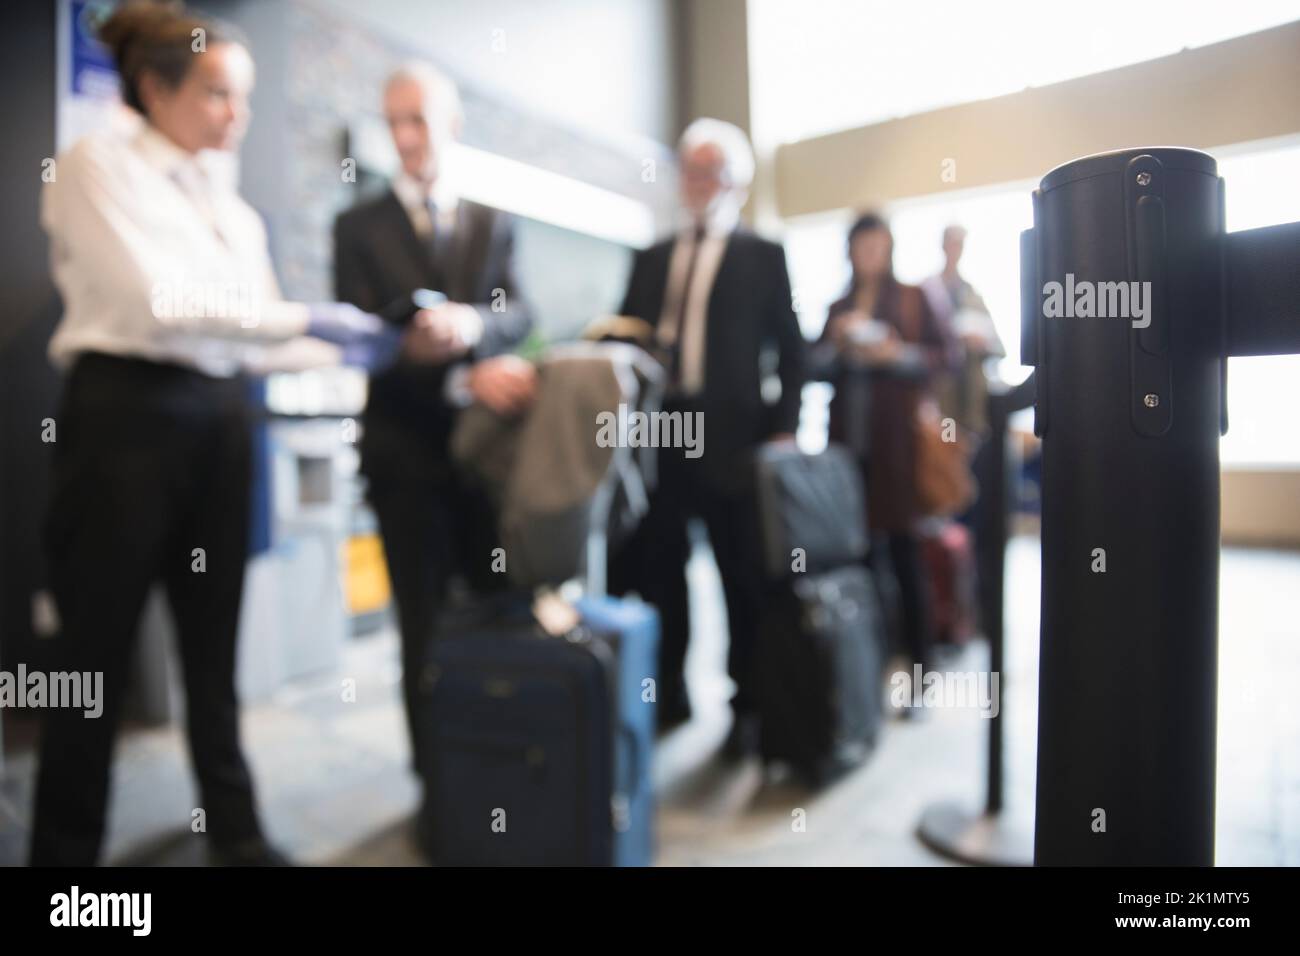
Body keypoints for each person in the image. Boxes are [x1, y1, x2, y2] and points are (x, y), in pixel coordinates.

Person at [30, 2, 402, 867]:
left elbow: (259, 339)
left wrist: (372, 346)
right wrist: (310, 315)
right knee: (92, 655)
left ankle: (233, 831)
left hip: (221, 423)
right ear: (156, 87)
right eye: (218, 95)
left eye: (244, 97)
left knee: (215, 643)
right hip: (124, 419)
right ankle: (62, 861)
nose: (237, 116)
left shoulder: (233, 210)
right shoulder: (97, 164)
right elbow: (158, 306)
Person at [332, 63, 536, 818]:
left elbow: (519, 313)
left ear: (451, 122)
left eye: (418, 119)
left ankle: (507, 768)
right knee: (420, 627)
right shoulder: (356, 226)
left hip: (488, 457)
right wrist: (442, 366)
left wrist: (475, 328)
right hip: (403, 454)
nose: (406, 137)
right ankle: (440, 792)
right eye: (393, 123)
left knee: (495, 608)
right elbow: (358, 338)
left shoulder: (490, 218)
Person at [613, 118, 805, 757]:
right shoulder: (651, 256)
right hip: (662, 433)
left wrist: (782, 431)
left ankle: (745, 705)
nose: (696, 183)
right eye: (689, 170)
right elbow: (624, 333)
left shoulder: (762, 255)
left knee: (738, 574)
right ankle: (667, 691)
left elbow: (793, 352)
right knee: (658, 568)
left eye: (708, 171)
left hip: (733, 439)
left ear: (736, 183)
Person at [810, 213, 953, 681]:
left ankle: (919, 666)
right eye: (861, 245)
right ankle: (871, 663)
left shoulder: (913, 298)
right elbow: (812, 367)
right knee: (862, 557)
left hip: (899, 451)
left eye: (877, 244)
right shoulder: (839, 306)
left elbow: (945, 355)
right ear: (850, 250)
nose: (869, 253)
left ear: (889, 247)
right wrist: (837, 346)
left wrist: (896, 354)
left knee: (907, 554)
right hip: (850, 450)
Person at [919, 225, 1005, 438]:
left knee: (968, 454)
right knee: (945, 447)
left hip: (972, 399)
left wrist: (981, 343)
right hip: (941, 397)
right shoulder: (927, 292)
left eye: (960, 244)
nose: (955, 249)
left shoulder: (973, 296)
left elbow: (998, 348)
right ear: (943, 246)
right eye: (952, 243)